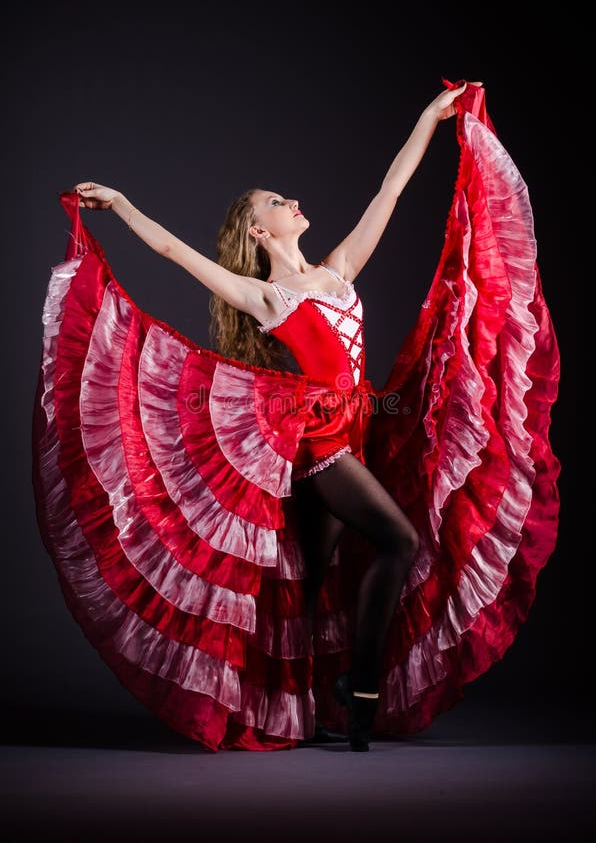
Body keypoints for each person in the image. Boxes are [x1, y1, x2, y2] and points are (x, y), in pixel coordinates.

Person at [32, 80, 560, 754]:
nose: (293, 203)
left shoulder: (338, 270)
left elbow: (389, 193)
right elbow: (174, 254)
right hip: (320, 449)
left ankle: (284, 702)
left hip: (357, 439)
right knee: (398, 543)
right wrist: (125, 205)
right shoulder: (268, 296)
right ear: (260, 229)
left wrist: (431, 116)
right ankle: (360, 694)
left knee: (306, 587)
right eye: (277, 203)